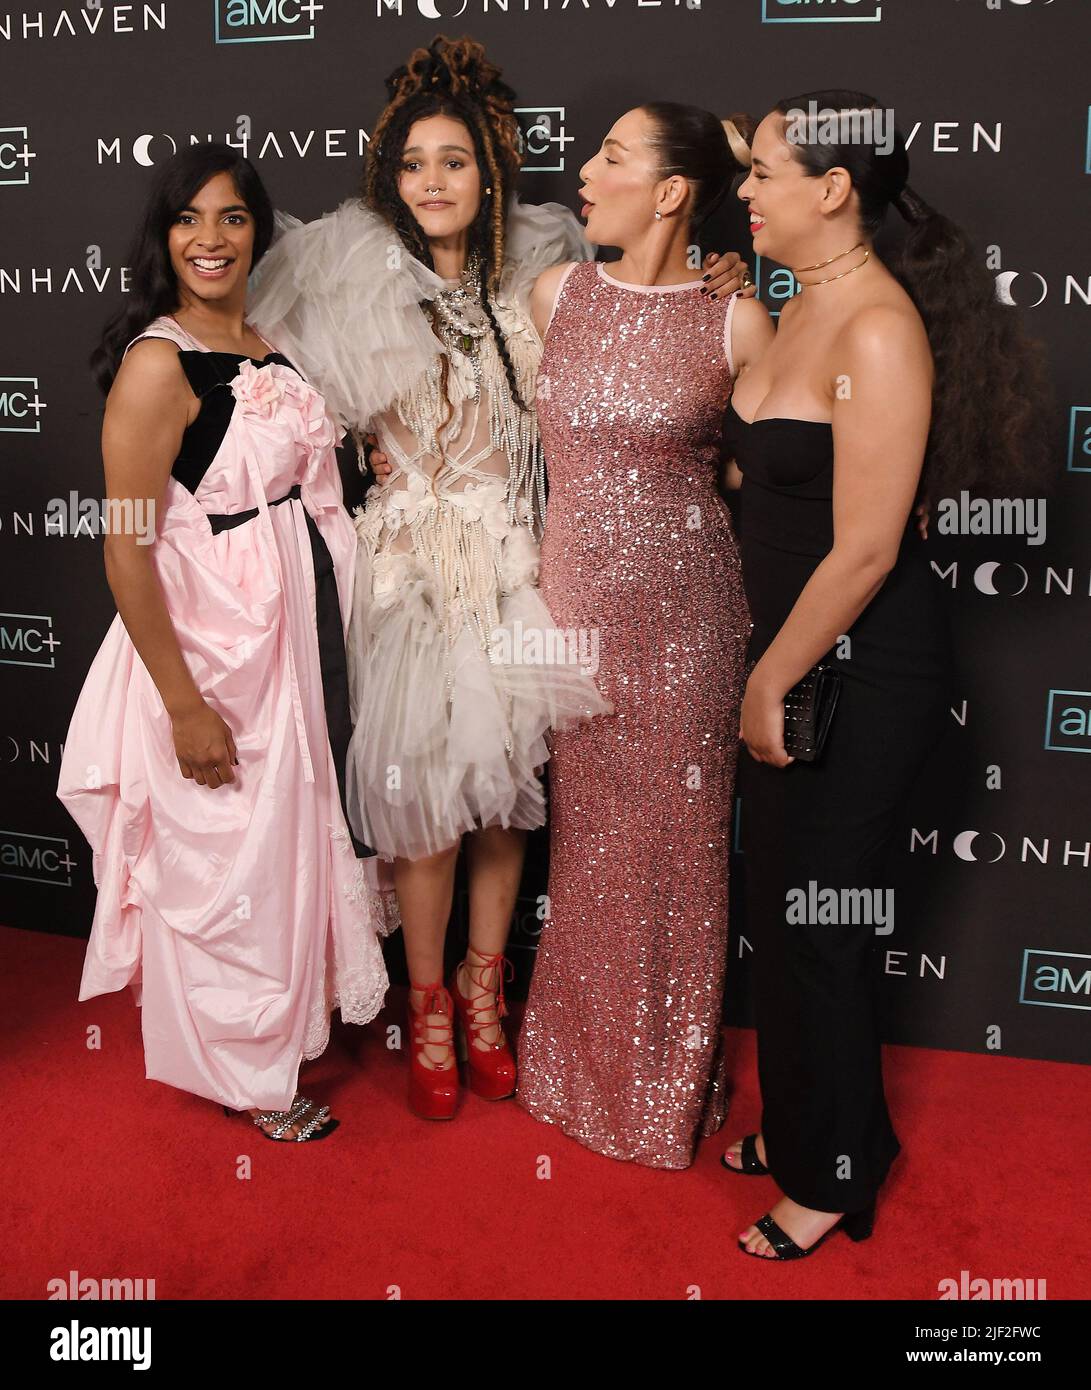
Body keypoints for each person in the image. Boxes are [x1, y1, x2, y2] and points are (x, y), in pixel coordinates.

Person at [249, 38, 759, 1121]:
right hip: (407, 573)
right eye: (412, 164)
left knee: (506, 798)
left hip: (520, 561)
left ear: (489, 177)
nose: (431, 182)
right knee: (424, 798)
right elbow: (256, 372)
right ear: (390, 177)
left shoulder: (542, 284)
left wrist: (722, 271)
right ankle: (426, 1001)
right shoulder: (342, 283)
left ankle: (487, 991)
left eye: (455, 163)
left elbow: (644, 340)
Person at [721, 91, 1051, 1258]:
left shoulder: (873, 326)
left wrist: (767, 680)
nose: (745, 191)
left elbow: (864, 546)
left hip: (857, 669)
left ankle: (832, 1177)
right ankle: (820, 1120)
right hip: (801, 656)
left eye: (763, 173)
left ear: (831, 188)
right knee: (786, 914)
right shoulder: (799, 305)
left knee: (815, 926)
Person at [57, 144, 392, 1142]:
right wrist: (184, 703)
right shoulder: (157, 365)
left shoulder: (269, 339)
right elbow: (127, 554)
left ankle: (283, 1028)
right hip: (211, 650)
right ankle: (246, 1073)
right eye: (189, 219)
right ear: (163, 236)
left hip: (293, 642)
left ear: (258, 230)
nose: (212, 239)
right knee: (226, 862)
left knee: (283, 847)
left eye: (233, 218)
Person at [512, 103, 774, 1168]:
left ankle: (662, 1088)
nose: (584, 169)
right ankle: (570, 1067)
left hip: (686, 628)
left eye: (611, 156)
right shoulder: (553, 294)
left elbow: (776, 474)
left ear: (671, 191)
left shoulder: (736, 323)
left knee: (673, 860)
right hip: (570, 624)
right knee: (586, 856)